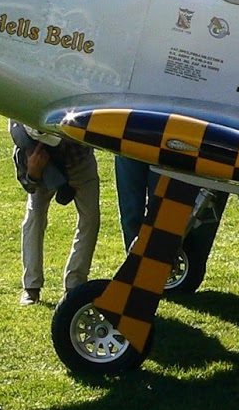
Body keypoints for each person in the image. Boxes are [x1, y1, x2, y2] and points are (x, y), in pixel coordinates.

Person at [10, 121, 100, 305]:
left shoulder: (72, 129)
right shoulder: (24, 142)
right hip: (43, 170)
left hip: (80, 162)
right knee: (34, 217)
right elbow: (28, 185)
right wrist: (33, 173)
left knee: (91, 219)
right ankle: (31, 287)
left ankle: (75, 284)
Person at [113, 154, 154, 251]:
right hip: (128, 151)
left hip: (165, 151)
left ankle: (160, 256)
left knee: (159, 212)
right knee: (130, 215)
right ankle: (133, 257)